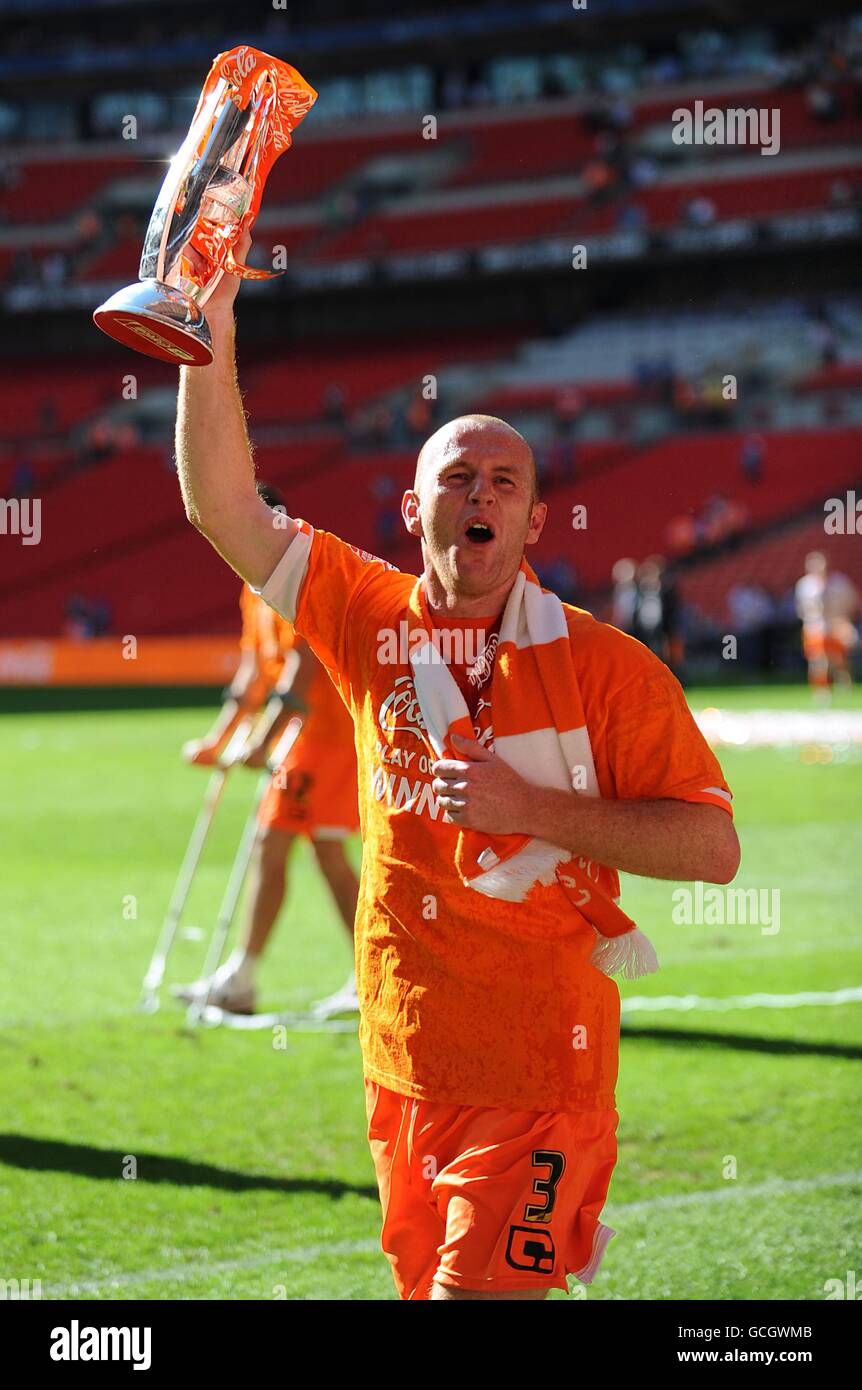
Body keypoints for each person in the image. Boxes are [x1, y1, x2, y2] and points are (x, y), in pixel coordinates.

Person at [173, 232, 739, 1302]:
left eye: (503, 480)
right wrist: (212, 335)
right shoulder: (360, 611)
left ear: (531, 518)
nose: (478, 494)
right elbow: (221, 505)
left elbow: (711, 847)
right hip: (403, 1060)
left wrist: (531, 805)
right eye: (456, 477)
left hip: (541, 1075)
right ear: (412, 510)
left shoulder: (610, 671)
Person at [178, 486, 360, 1018]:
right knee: (325, 854)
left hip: (323, 734)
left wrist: (261, 740)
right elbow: (254, 669)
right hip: (304, 734)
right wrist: (222, 737)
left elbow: (302, 666)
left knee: (271, 838)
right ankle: (366, 974)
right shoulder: (251, 586)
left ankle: (244, 979)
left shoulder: (295, 580)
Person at [795, 551, 860, 698]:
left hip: (836, 624)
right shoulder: (805, 585)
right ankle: (822, 692)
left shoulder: (839, 582)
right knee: (818, 660)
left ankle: (845, 687)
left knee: (839, 659)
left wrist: (845, 620)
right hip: (815, 626)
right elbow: (802, 609)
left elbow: (851, 603)